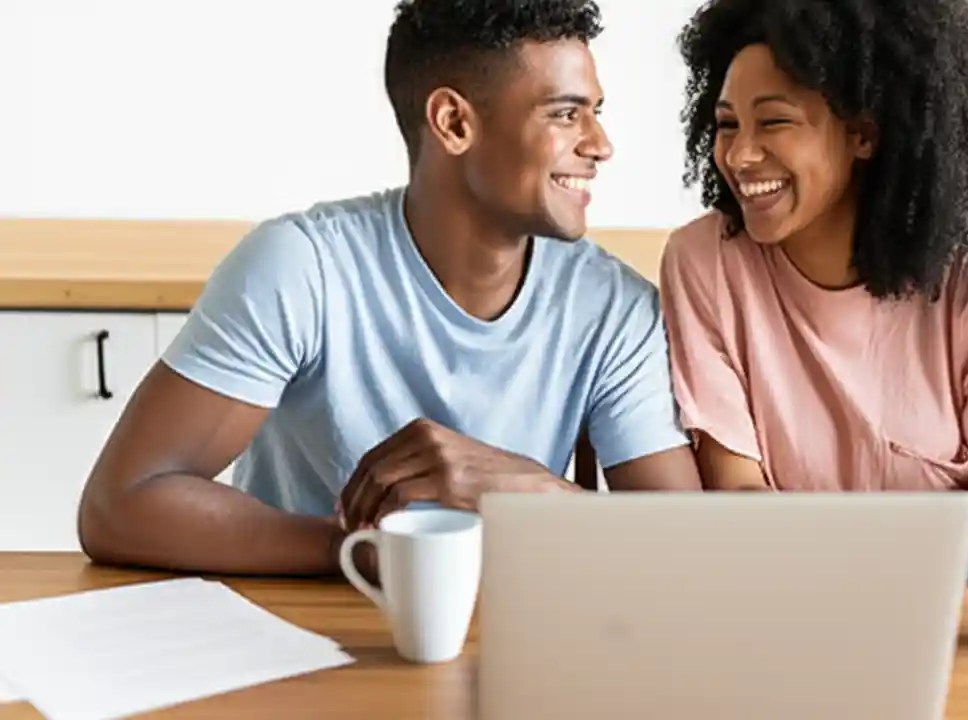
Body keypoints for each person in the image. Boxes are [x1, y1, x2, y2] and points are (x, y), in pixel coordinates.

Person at [78, 0, 700, 576]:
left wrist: (534, 496)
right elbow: (120, 505)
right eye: (565, 114)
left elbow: (688, 551)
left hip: (507, 635)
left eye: (595, 112)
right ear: (453, 122)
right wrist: (364, 551)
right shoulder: (302, 267)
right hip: (294, 633)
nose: (600, 145)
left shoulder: (615, 309)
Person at [660, 0, 968, 511]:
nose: (740, 154)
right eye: (727, 125)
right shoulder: (705, 262)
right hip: (785, 570)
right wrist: (965, 510)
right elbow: (738, 501)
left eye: (773, 122)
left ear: (863, 133)